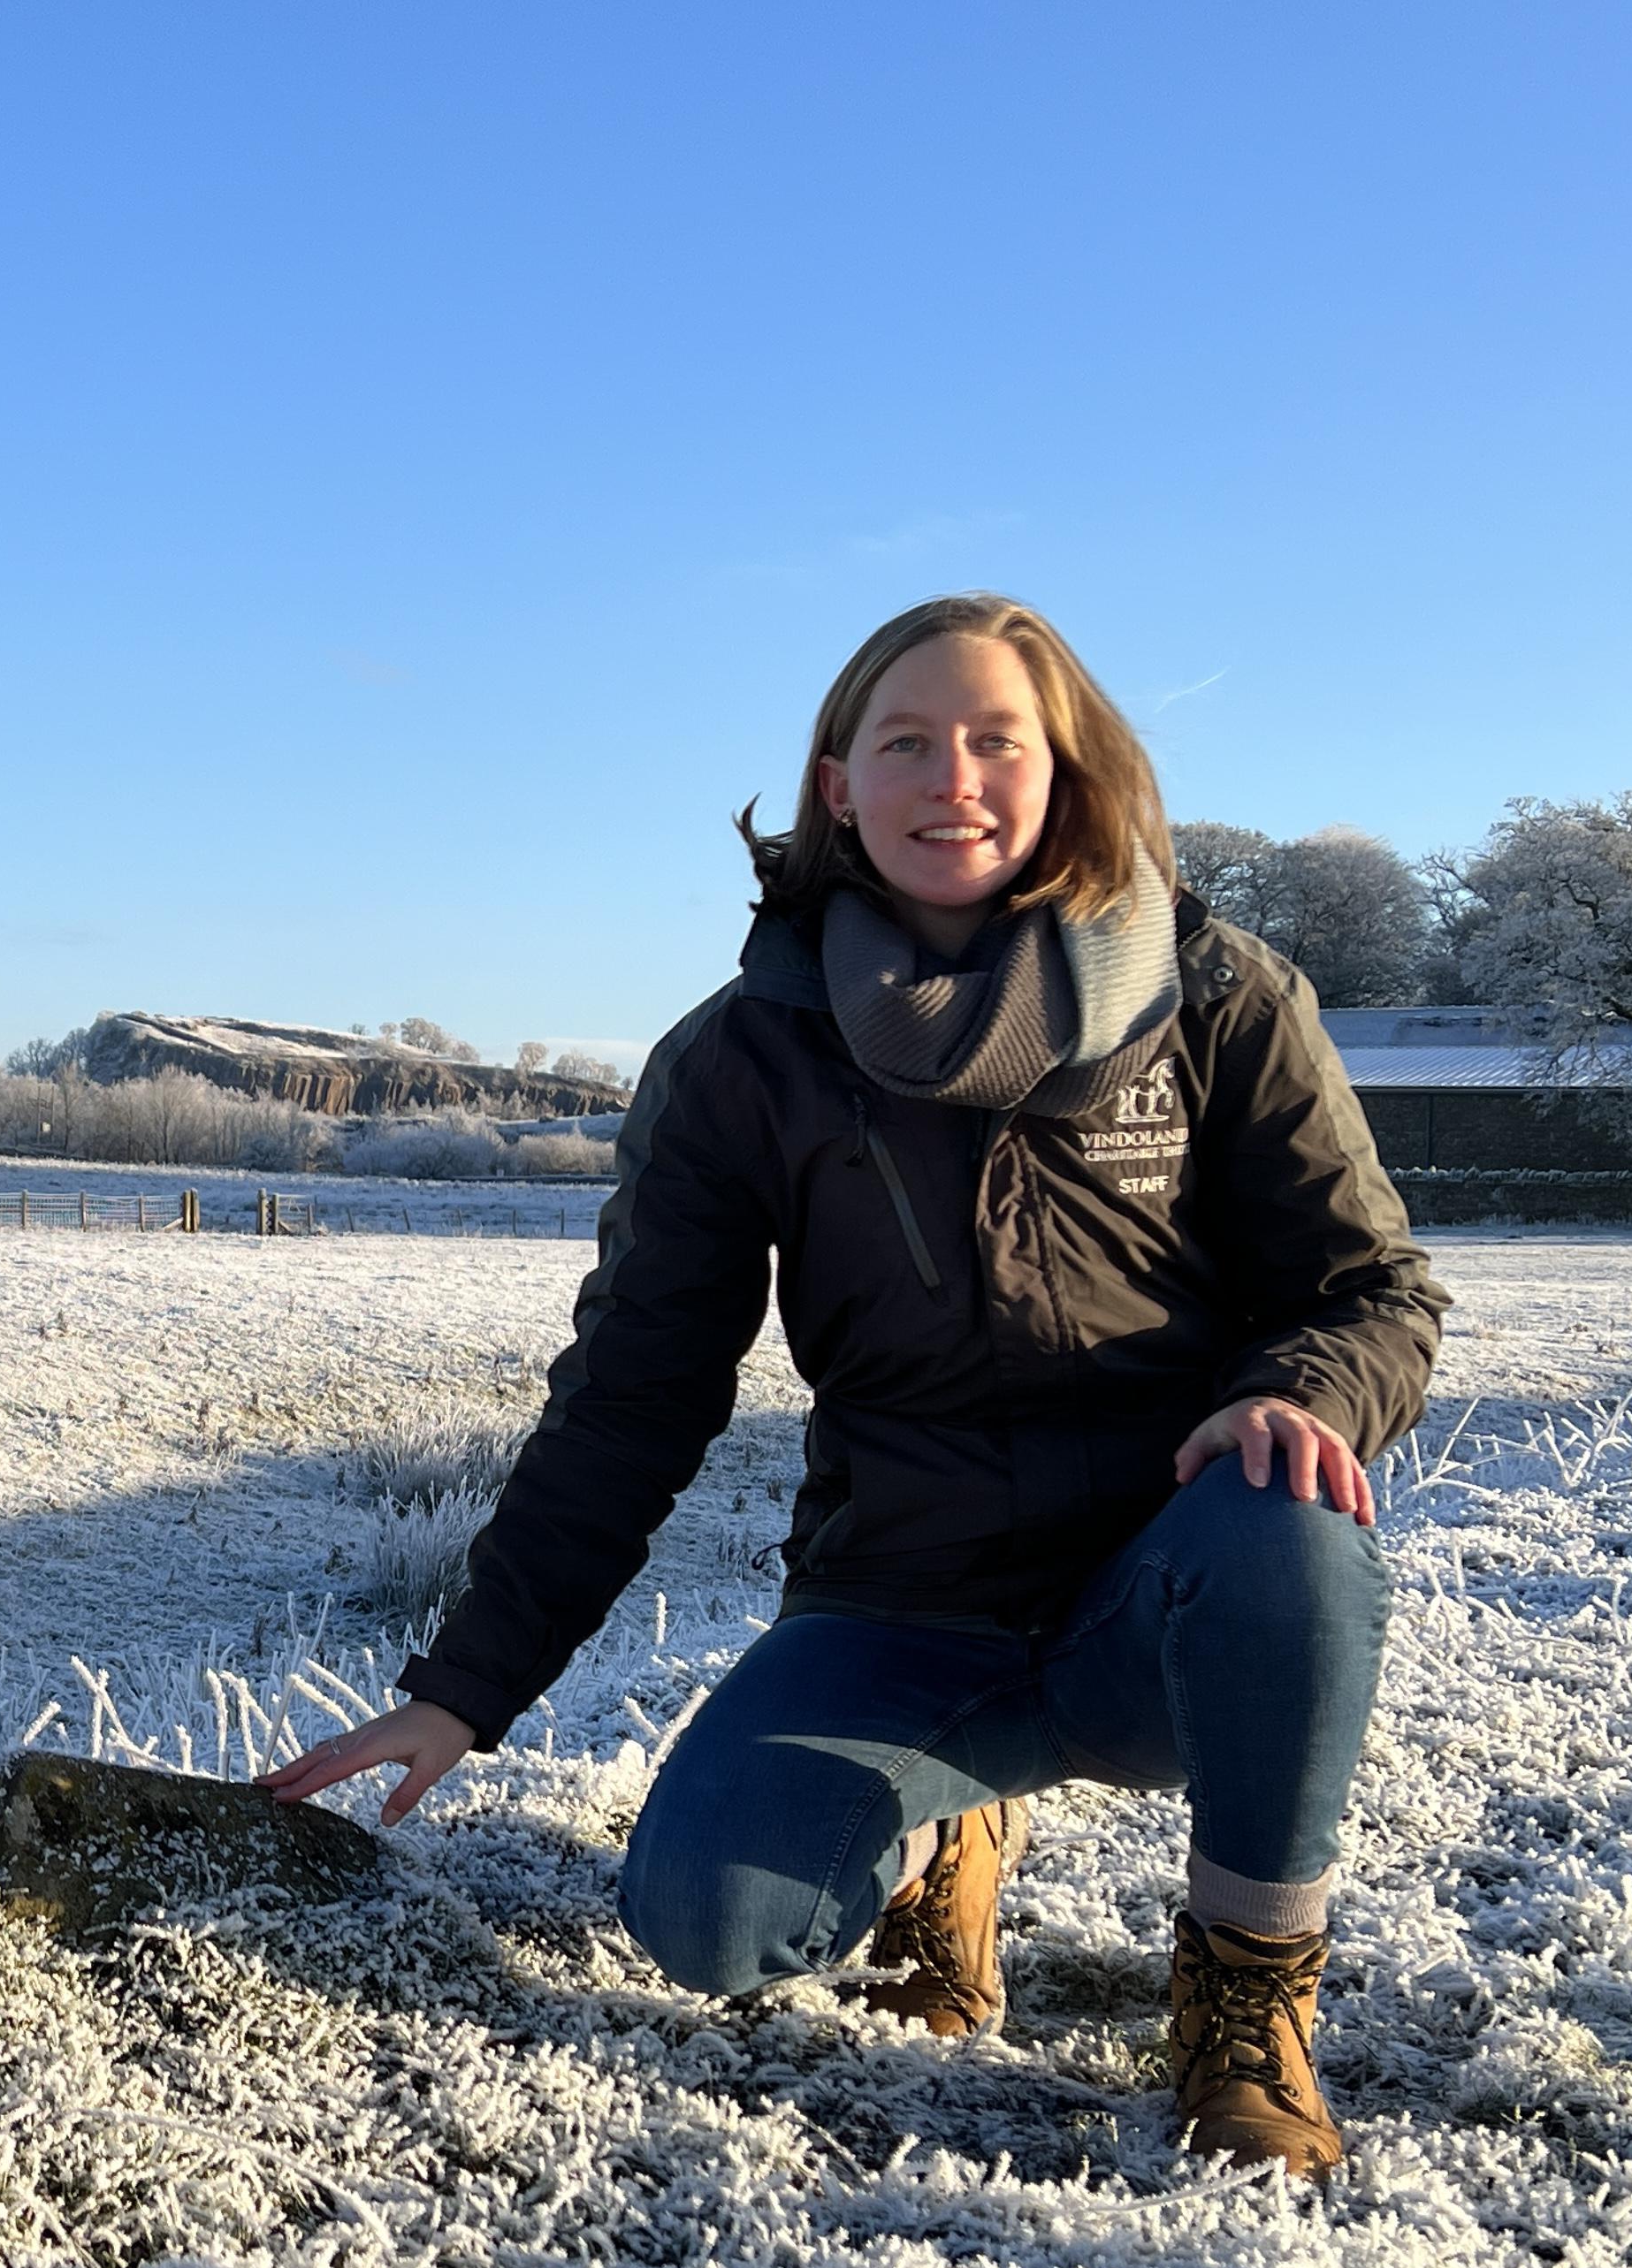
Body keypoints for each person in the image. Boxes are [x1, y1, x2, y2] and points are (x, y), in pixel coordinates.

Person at [264, 594, 1445, 2177]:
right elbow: (634, 1392)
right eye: (905, 742)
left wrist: (1299, 1387)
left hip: (1172, 1596)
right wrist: (466, 1685)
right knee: (707, 1921)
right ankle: (947, 1832)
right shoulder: (745, 1056)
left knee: (1288, 1514)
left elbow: (1370, 1289)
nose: (949, 777)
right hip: (902, 1602)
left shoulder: (1221, 1000)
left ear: (1063, 774)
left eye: (991, 741)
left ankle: (1244, 2001)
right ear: (836, 786)